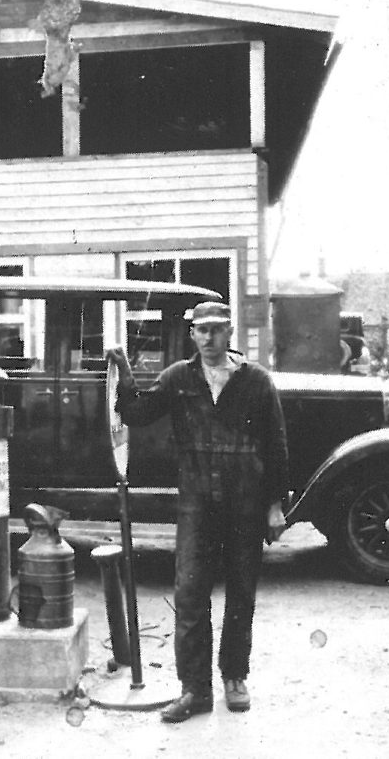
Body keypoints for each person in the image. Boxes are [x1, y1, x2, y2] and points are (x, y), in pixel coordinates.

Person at [107, 300, 288, 722]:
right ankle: (194, 690)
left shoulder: (257, 381)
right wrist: (123, 372)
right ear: (192, 335)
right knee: (190, 595)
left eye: (217, 330)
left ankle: (235, 677)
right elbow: (136, 412)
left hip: (246, 500)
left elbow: (277, 445)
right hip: (197, 503)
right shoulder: (177, 378)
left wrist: (276, 505)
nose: (209, 338)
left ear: (230, 332)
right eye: (201, 331)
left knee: (241, 592)